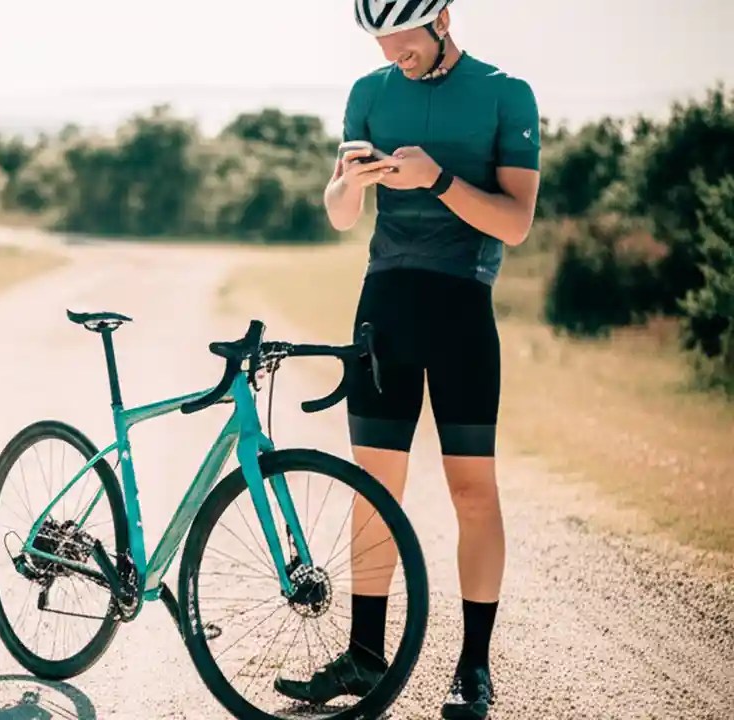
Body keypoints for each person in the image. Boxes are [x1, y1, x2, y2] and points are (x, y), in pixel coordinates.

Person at [272, 1, 541, 718]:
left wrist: (438, 180)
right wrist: (350, 184)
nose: (393, 52)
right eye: (381, 40)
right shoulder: (369, 93)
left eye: (403, 38)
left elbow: (516, 222)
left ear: (443, 18)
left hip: (461, 308)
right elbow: (339, 213)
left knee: (472, 491)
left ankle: (473, 669)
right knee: (373, 488)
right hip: (384, 307)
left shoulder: (506, 94)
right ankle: (365, 657)